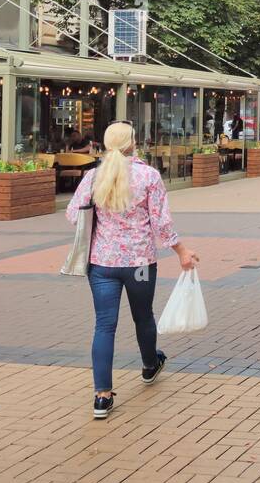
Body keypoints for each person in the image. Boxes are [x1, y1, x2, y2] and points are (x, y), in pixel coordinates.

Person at [66, 121, 199, 420]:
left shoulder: (93, 177)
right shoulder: (148, 176)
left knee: (104, 325)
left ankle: (102, 396)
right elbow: (160, 222)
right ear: (132, 144)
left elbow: (73, 215)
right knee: (143, 316)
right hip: (139, 263)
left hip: (101, 264)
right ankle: (150, 365)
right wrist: (181, 252)